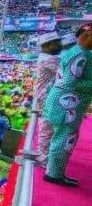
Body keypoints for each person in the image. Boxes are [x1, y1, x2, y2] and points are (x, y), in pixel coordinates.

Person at [43, 23, 92, 186]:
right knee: (64, 140)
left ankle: (56, 172)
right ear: (86, 35)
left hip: (67, 104)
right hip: (67, 105)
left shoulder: (80, 52)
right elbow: (71, 82)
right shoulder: (80, 54)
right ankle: (54, 175)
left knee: (65, 139)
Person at [33, 32, 63, 167]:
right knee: (47, 127)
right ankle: (44, 157)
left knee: (49, 126)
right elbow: (68, 70)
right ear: (46, 46)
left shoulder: (47, 57)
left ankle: (45, 154)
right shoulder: (48, 59)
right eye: (55, 43)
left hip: (47, 96)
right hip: (46, 97)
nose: (59, 45)